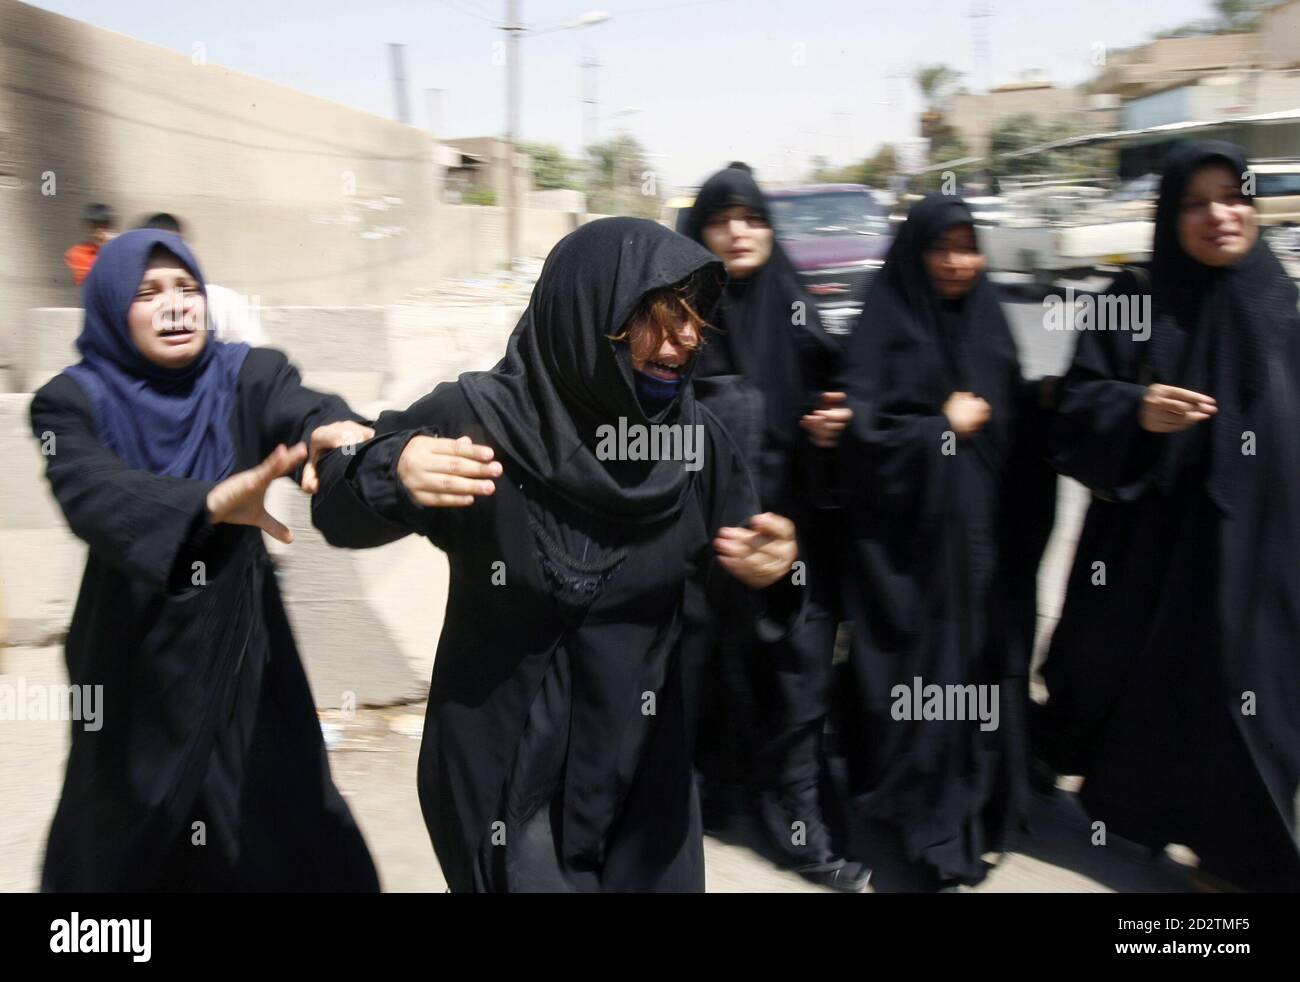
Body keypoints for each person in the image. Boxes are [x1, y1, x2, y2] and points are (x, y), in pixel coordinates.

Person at [311, 217, 801, 892]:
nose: (686, 339)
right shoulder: (479, 420)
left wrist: (768, 575)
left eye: (694, 318)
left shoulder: (695, 445)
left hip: (641, 769)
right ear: (589, 314)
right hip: (507, 770)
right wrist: (389, 468)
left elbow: (737, 603)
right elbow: (337, 513)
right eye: (661, 316)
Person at [32, 228, 379, 891]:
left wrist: (331, 433)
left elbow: (300, 407)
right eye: (148, 292)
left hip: (244, 652)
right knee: (125, 841)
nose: (175, 306)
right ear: (110, 307)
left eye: (187, 288)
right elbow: (90, 491)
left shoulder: (243, 374)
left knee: (289, 823)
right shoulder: (71, 401)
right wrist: (210, 503)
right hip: (132, 661)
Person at [1035, 140, 1300, 891]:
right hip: (1160, 557)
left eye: (1235, 196)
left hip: (1270, 558)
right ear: (1169, 214)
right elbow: (1072, 415)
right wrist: (1136, 413)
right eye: (1195, 202)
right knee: (1171, 700)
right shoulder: (1133, 297)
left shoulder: (1281, 298)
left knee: (1260, 704)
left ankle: (1239, 857)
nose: (1219, 215)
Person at [833, 194, 1036, 891]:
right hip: (911, 564)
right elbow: (863, 442)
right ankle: (931, 831)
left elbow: (1022, 439)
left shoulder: (991, 328)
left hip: (983, 553)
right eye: (940, 248)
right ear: (914, 255)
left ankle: (977, 815)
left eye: (968, 246)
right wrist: (939, 429)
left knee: (979, 681)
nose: (956, 262)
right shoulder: (883, 328)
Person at [682, 163, 868, 891]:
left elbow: (845, 400)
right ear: (697, 233)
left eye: (753, 218)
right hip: (699, 552)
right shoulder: (676, 323)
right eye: (721, 219)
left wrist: (836, 428)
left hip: (794, 550)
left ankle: (800, 827)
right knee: (708, 684)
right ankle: (718, 798)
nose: (737, 231)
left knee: (796, 686)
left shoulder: (797, 313)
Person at [139, 213, 268, 346]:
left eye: (176, 246)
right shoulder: (133, 306)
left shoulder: (223, 301)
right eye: (148, 293)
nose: (175, 307)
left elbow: (257, 350)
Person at [64, 202, 117, 286]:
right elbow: (88, 281)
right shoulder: (77, 253)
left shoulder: (118, 250)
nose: (99, 230)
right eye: (94, 225)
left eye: (104, 225)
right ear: (87, 226)